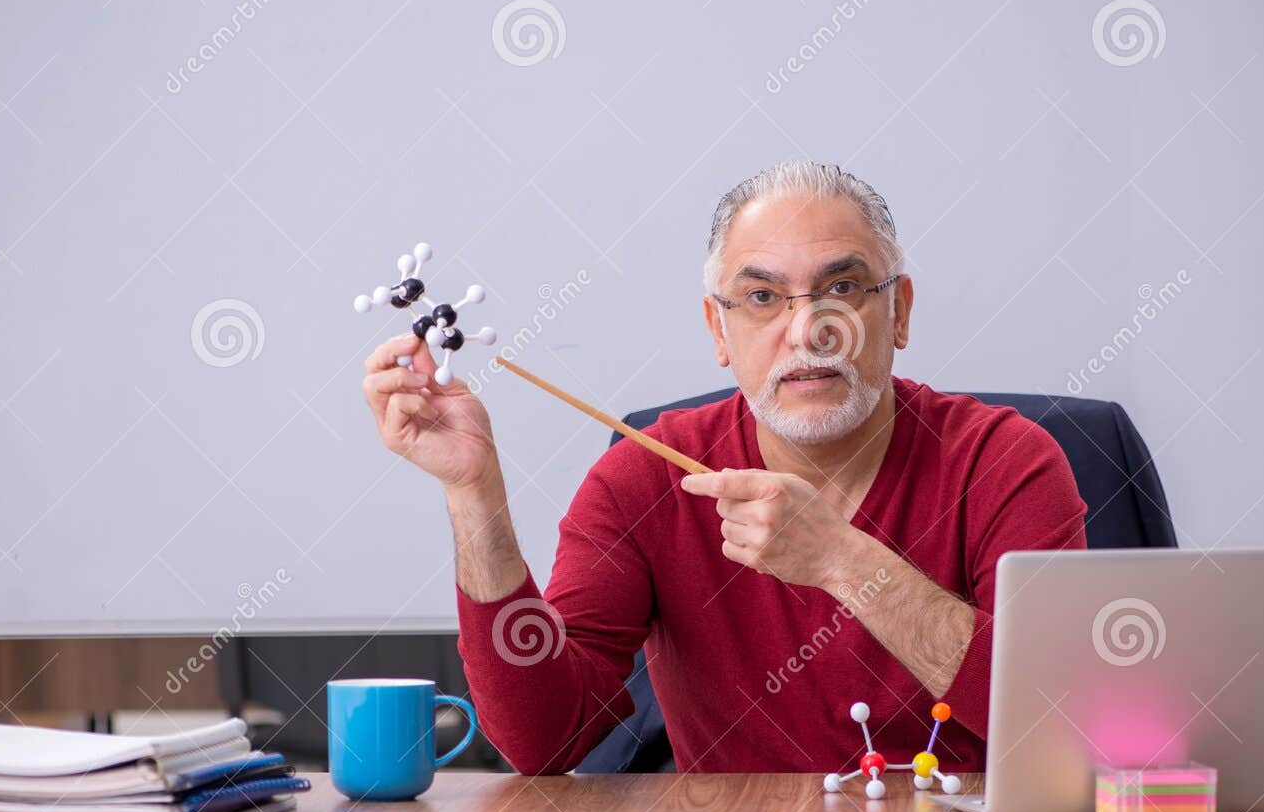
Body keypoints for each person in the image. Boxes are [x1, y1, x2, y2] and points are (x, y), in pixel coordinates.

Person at [362, 161, 1086, 775]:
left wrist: (841, 559)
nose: (808, 331)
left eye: (842, 288)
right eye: (763, 297)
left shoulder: (1006, 460)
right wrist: (473, 493)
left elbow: (1061, 725)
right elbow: (544, 742)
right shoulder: (643, 478)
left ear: (898, 312)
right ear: (718, 329)